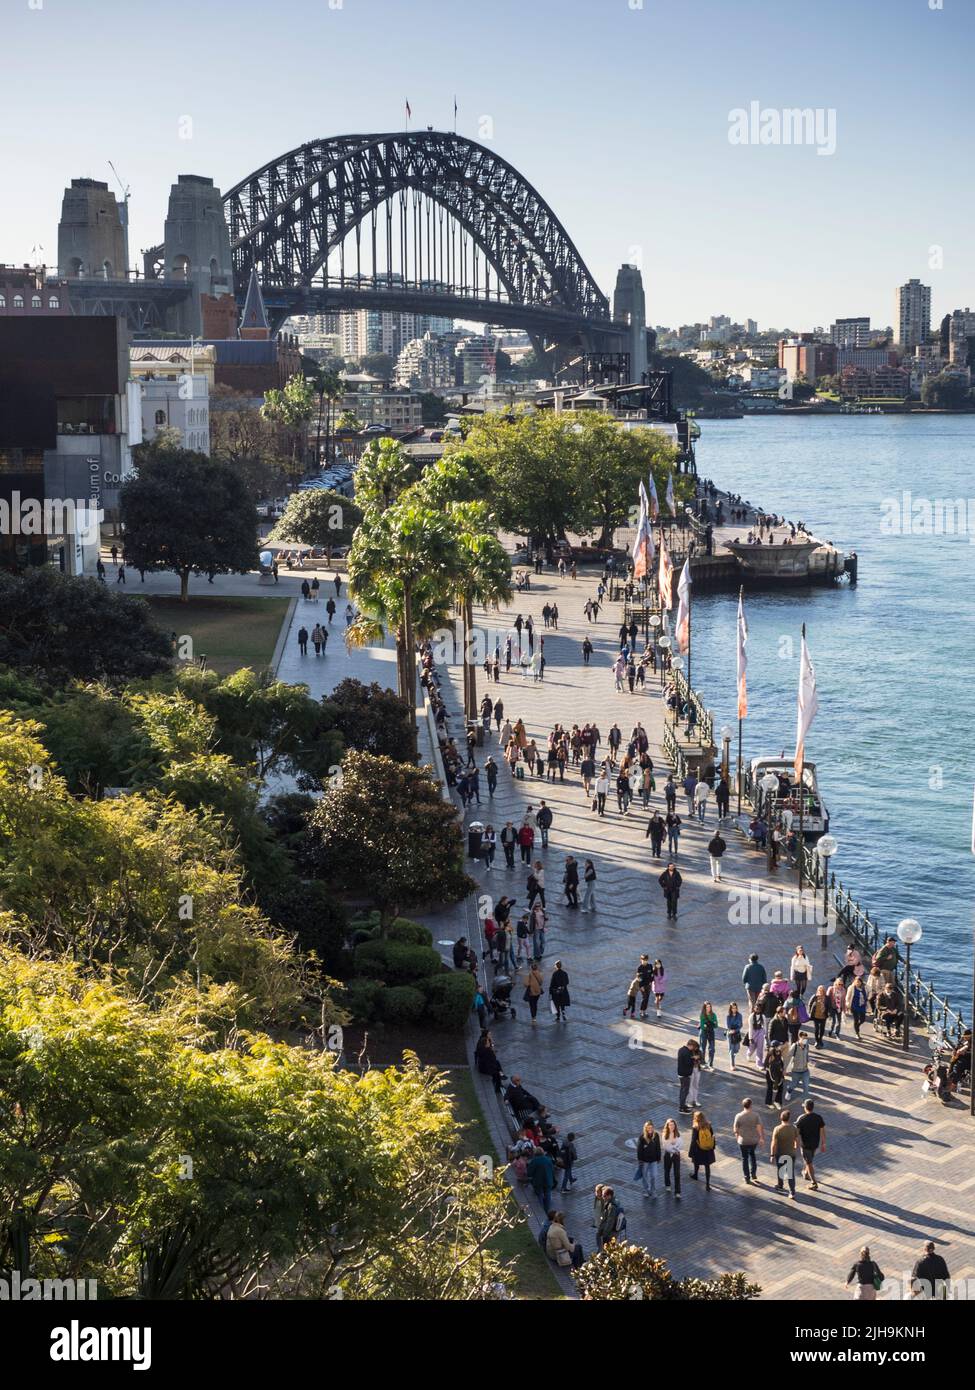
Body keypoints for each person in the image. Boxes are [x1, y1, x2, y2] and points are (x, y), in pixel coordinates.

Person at [796, 1098, 826, 1190]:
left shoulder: (801, 1118)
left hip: (805, 1145)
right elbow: (822, 1131)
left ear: (805, 1108)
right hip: (815, 1144)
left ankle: (813, 1182)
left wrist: (795, 1143)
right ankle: (806, 1173)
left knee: (809, 1162)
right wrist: (823, 1143)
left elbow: (796, 1133)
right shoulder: (818, 1117)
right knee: (809, 1159)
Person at [733, 1097, 764, 1184]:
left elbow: (735, 1129)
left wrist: (737, 1138)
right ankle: (753, 1174)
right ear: (751, 1105)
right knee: (752, 1155)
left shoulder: (738, 1116)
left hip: (743, 1141)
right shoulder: (756, 1115)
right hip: (753, 1141)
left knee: (744, 1158)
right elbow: (759, 1127)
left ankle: (747, 1177)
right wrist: (761, 1138)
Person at [770, 1108, 799, 1200]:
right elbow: (797, 1141)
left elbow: (773, 1143)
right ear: (789, 1118)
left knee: (781, 1170)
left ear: (780, 1118)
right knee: (790, 1173)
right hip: (791, 1154)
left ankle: (781, 1185)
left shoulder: (777, 1129)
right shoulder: (794, 1128)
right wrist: (795, 1147)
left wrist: (772, 1155)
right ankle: (792, 1191)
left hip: (780, 1153)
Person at [688, 1111, 716, 1191]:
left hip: (698, 1149)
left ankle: (695, 1175)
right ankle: (707, 1185)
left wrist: (691, 1152)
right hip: (707, 1150)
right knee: (707, 1166)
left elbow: (693, 1140)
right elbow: (712, 1136)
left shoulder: (695, 1127)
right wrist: (712, 1147)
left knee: (696, 1162)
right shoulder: (708, 1125)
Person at [784, 1031, 812, 1102]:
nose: (805, 1040)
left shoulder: (807, 1046)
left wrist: (810, 1061)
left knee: (806, 1086)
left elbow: (807, 1055)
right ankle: (789, 1091)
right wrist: (784, 1069)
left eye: (806, 1039)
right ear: (800, 1038)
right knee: (794, 1084)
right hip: (796, 1071)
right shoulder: (795, 1046)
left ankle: (805, 1102)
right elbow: (788, 1057)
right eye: (804, 1038)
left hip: (805, 1070)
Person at [636, 1120, 662, 1198]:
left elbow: (658, 1147)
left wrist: (659, 1157)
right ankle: (646, 1190)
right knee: (644, 1176)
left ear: (653, 1128)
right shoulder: (642, 1137)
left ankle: (653, 1190)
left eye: (651, 1127)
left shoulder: (656, 1135)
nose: (650, 1129)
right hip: (645, 1161)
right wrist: (640, 1160)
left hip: (654, 1160)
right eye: (648, 1128)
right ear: (646, 1128)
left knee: (654, 1176)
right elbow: (639, 1150)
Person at [662, 1119, 682, 1199]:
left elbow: (680, 1143)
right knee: (667, 1171)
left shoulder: (677, 1133)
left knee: (677, 1173)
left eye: (673, 1125)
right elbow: (666, 1146)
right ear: (667, 1126)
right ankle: (668, 1184)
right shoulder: (664, 1134)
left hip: (676, 1155)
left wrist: (676, 1148)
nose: (671, 1126)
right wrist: (674, 1148)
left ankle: (677, 1192)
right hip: (668, 1155)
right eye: (670, 1125)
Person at [677, 1039, 696, 1113]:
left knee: (683, 1090)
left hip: (680, 1073)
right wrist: (693, 1059)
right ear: (690, 1045)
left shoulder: (681, 1050)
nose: (693, 1049)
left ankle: (683, 1105)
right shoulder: (687, 1053)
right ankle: (682, 1108)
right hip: (685, 1075)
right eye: (693, 1047)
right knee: (684, 1091)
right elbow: (688, 1063)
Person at [764, 1044, 785, 1109]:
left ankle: (777, 1101)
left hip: (778, 1073)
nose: (780, 1047)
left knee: (781, 1087)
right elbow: (765, 1065)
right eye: (778, 1046)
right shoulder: (770, 1055)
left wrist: (782, 1070)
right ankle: (768, 1102)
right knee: (770, 1088)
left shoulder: (779, 1053)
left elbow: (781, 1063)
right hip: (770, 1074)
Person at [699, 1002, 718, 1069]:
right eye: (707, 1007)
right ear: (704, 1008)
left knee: (712, 1048)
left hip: (711, 1032)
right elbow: (702, 1026)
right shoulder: (702, 1015)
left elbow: (716, 1025)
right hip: (703, 1032)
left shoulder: (713, 1015)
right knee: (702, 1048)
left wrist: (709, 1024)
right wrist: (710, 1023)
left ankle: (710, 1063)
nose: (708, 1008)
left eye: (709, 1007)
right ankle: (702, 1062)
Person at [726, 1002, 744, 1070]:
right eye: (733, 1008)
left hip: (737, 1034)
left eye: (735, 1008)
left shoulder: (739, 1015)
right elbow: (728, 1026)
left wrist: (735, 1030)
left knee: (737, 1049)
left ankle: (733, 1056)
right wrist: (732, 1030)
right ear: (730, 1009)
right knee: (731, 1049)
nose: (734, 1009)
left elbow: (741, 1025)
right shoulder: (728, 1016)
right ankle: (732, 1064)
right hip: (730, 1034)